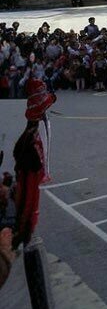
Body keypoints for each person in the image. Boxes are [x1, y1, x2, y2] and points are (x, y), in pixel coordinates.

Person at [13, 79, 54, 248]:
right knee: (30, 197)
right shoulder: (34, 105)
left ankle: (27, 229)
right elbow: (49, 100)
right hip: (30, 173)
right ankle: (26, 230)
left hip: (29, 167)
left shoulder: (34, 104)